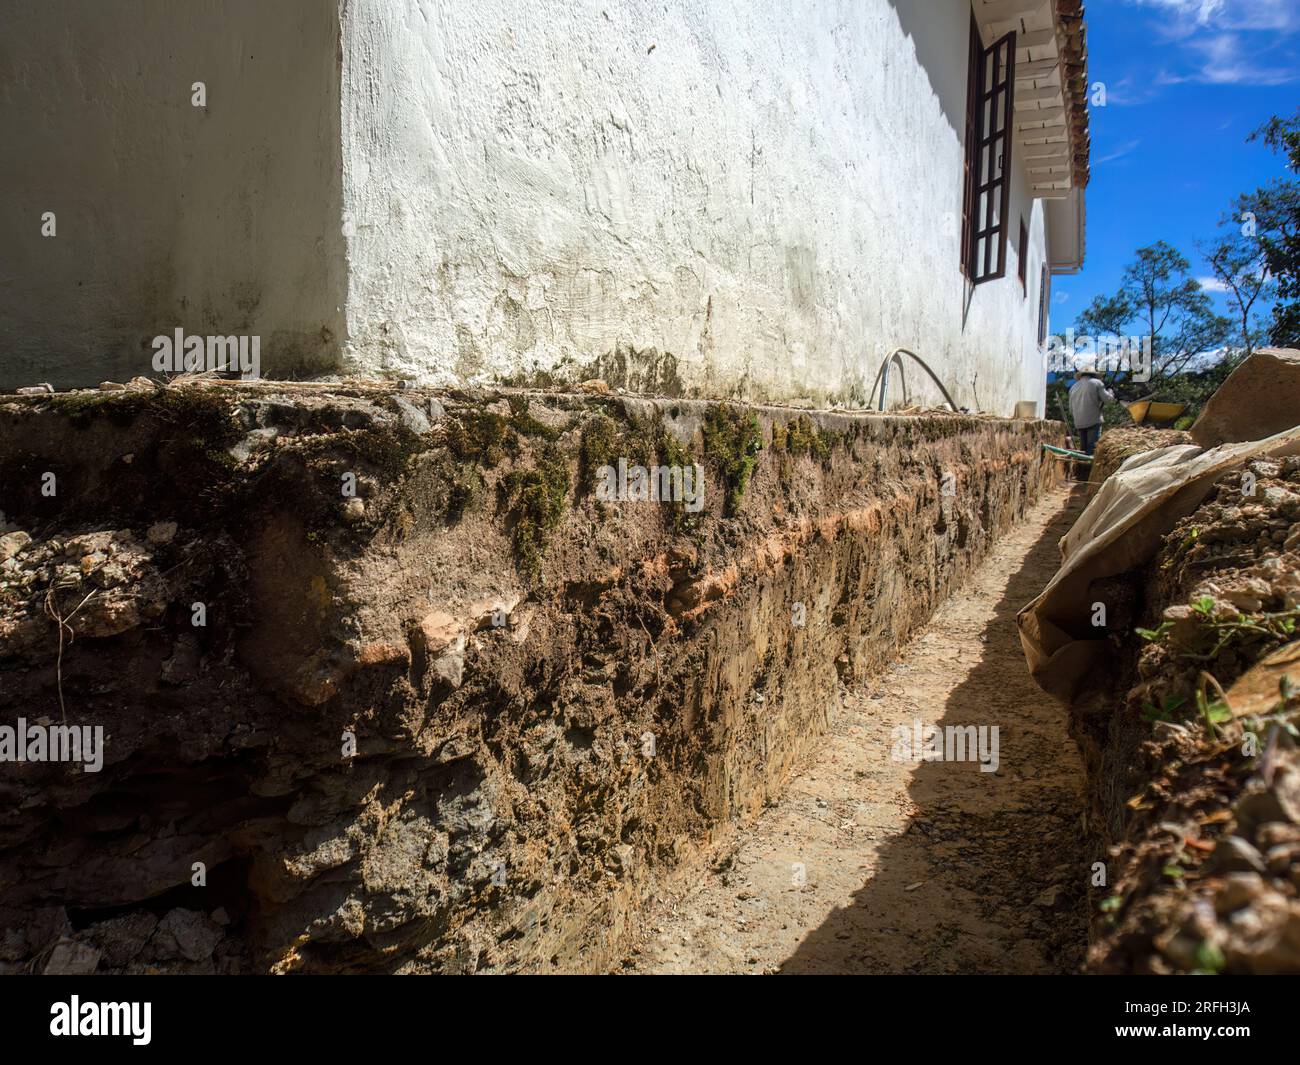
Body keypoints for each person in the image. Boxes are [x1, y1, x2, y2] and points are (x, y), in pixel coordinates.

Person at [1068, 369, 1115, 455]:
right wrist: (1110, 391)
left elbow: (1071, 409)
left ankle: (1083, 466)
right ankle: (1090, 466)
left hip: (1079, 422)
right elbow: (1108, 400)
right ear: (1094, 375)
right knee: (1092, 448)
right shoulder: (1097, 383)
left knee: (1083, 449)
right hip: (1093, 421)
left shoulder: (1073, 387)